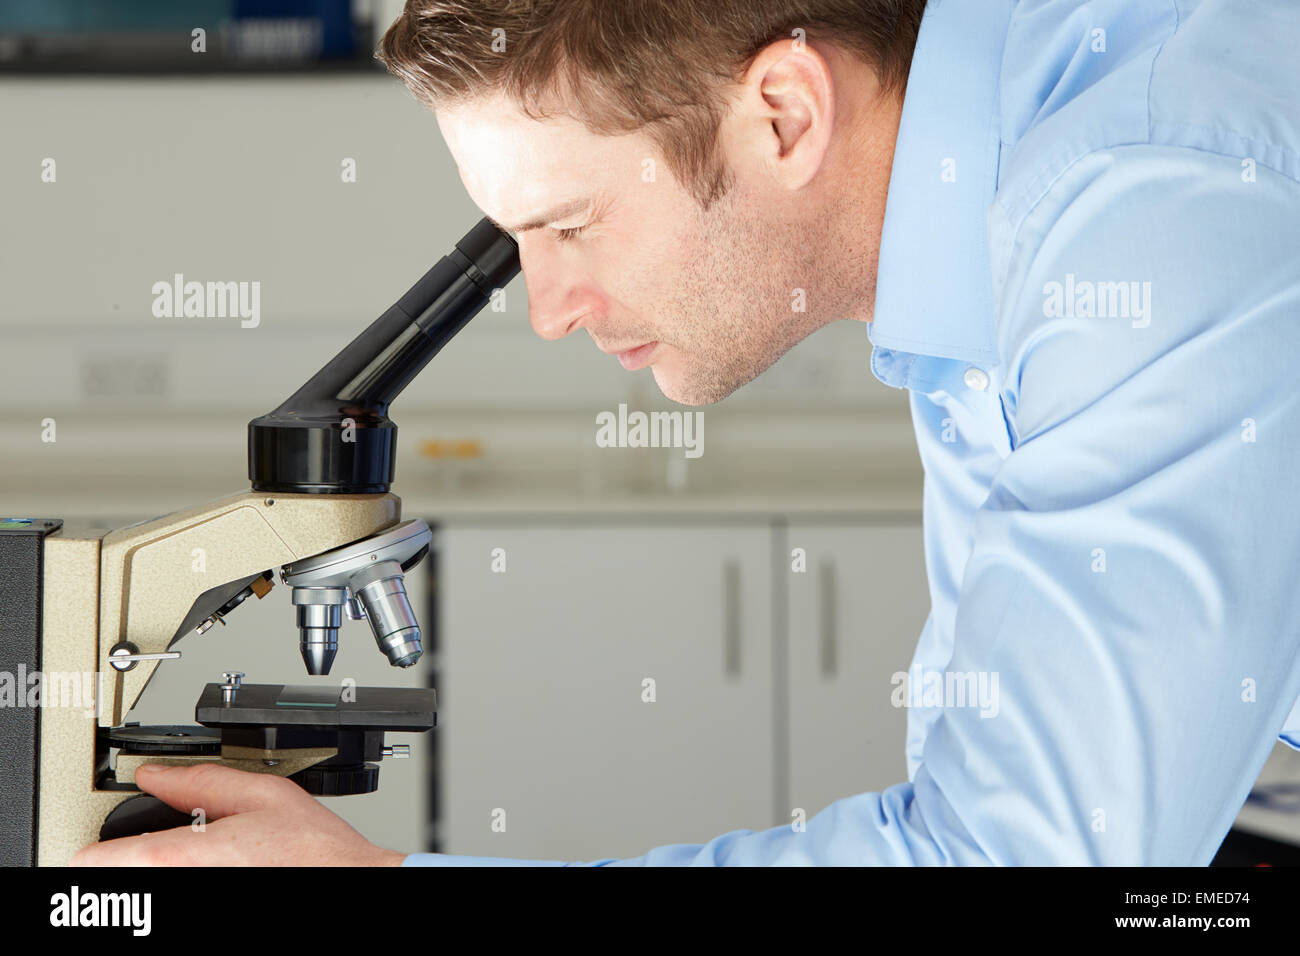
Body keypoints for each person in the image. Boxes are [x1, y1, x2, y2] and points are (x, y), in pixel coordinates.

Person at [75, 0, 1300, 866]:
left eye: (568, 224)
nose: (548, 311)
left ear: (781, 112)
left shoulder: (1146, 206)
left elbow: (1015, 853)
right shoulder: (988, 193)